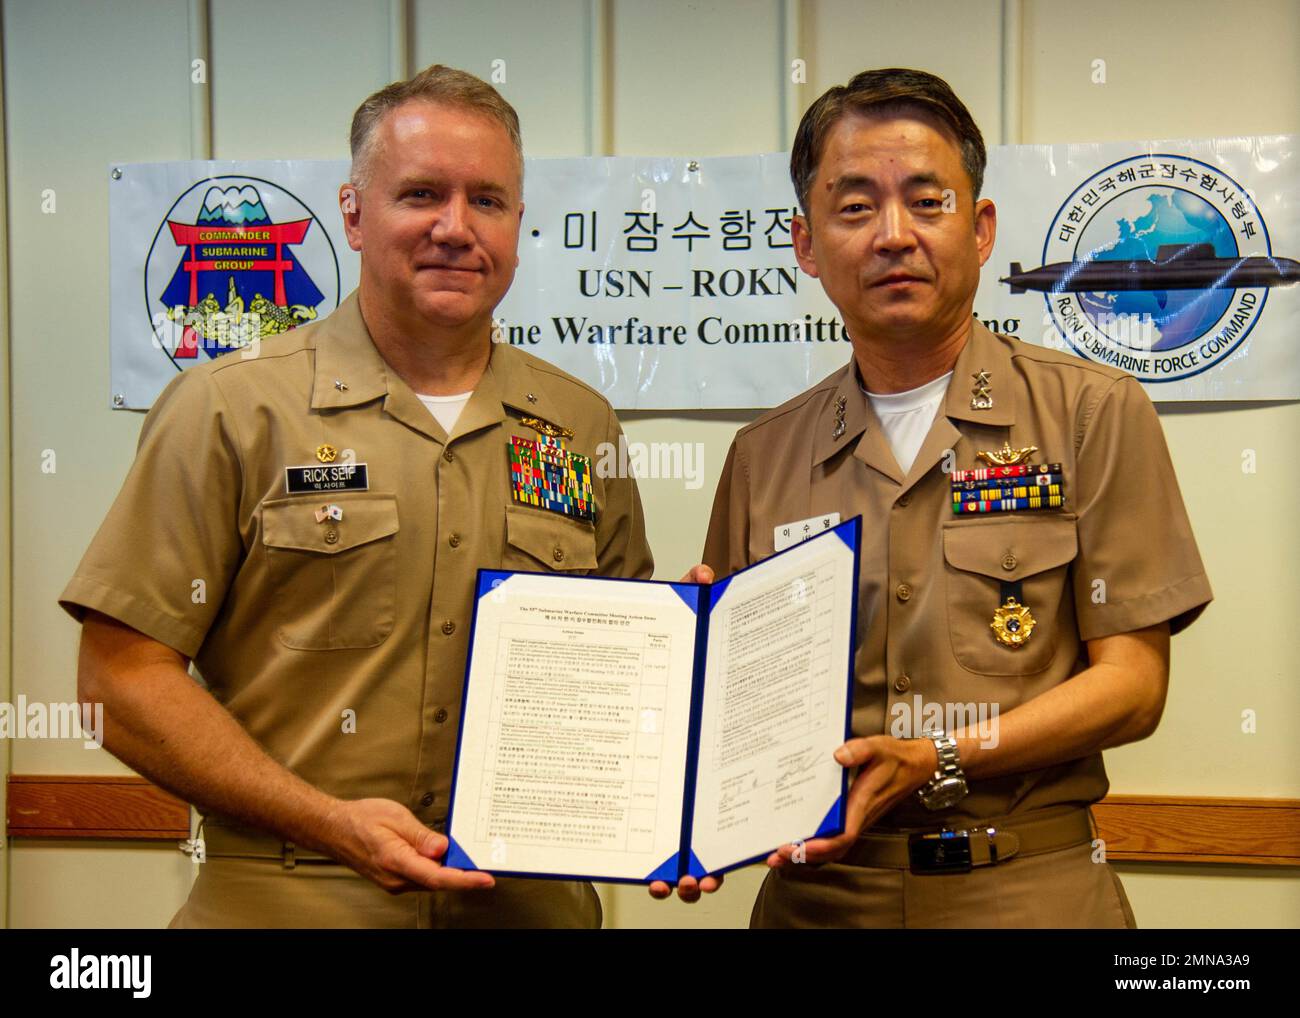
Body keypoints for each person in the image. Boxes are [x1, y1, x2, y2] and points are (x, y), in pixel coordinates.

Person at [59, 64, 654, 928]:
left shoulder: (577, 421)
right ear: (352, 213)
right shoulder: (232, 408)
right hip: (290, 897)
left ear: (519, 226)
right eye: (420, 195)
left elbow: (627, 657)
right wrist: (329, 824)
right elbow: (118, 680)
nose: (456, 227)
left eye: (487, 201)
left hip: (524, 907)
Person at [701, 68, 1213, 928]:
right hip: (820, 898)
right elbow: (734, 710)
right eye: (855, 206)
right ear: (805, 243)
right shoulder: (763, 456)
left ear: (980, 231)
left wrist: (942, 753)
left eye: (927, 202)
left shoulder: (1090, 414)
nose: (893, 235)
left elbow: (1133, 687)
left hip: (1027, 889)